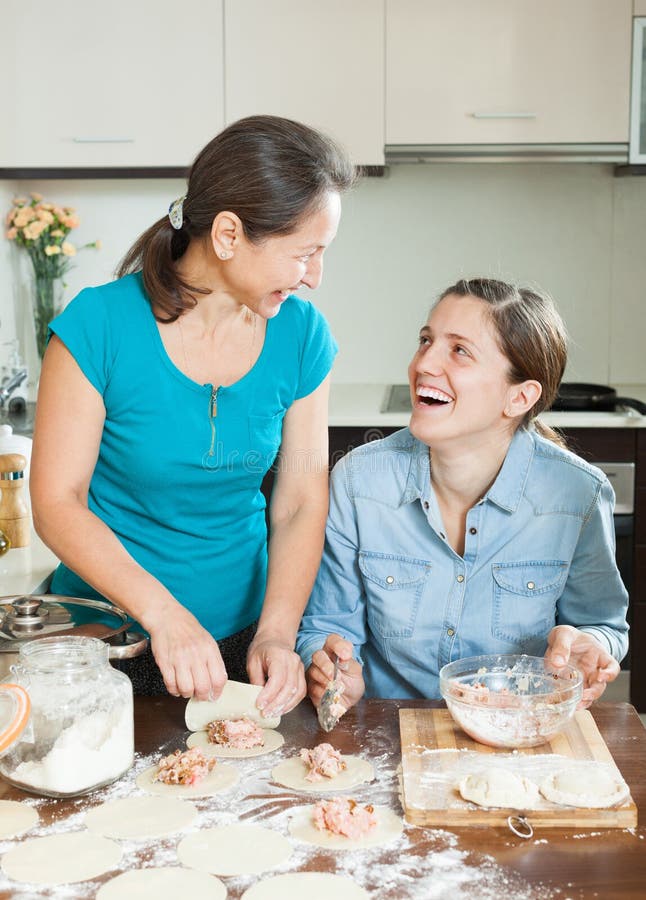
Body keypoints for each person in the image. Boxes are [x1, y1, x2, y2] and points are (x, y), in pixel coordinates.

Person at [31, 115, 355, 713]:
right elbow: (57, 503)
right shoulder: (98, 326)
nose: (314, 276)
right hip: (108, 644)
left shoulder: (302, 336)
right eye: (305, 253)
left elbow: (302, 497)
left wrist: (278, 633)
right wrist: (163, 615)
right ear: (228, 234)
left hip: (243, 641)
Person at [297, 277, 629, 712]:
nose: (423, 363)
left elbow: (602, 625)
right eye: (425, 340)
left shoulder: (578, 494)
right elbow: (326, 625)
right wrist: (334, 671)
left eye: (459, 350)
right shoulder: (360, 482)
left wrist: (589, 646)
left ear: (519, 397)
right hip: (389, 731)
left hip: (516, 733)